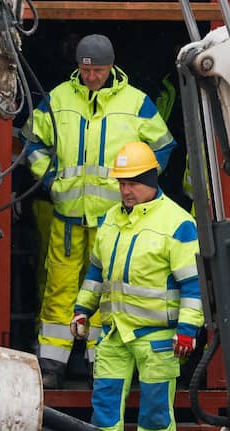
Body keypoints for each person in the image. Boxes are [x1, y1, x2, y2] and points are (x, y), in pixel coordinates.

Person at [25, 34, 176, 389]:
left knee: (108, 293)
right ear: (78, 67)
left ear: (111, 67)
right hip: (67, 216)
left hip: (114, 220)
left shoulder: (135, 102)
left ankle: (100, 362)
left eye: (99, 71)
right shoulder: (58, 98)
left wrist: (138, 189)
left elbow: (163, 146)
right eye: (86, 70)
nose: (92, 77)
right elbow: (31, 141)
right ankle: (52, 364)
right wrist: (50, 180)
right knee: (59, 289)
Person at [67, 141, 201, 431]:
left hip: (158, 339)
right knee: (105, 408)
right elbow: (96, 272)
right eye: (122, 183)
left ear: (151, 180)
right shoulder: (111, 219)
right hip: (115, 334)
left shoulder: (178, 223)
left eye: (133, 183)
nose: (125, 190)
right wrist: (82, 309)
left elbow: (193, 285)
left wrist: (187, 330)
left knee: (155, 414)